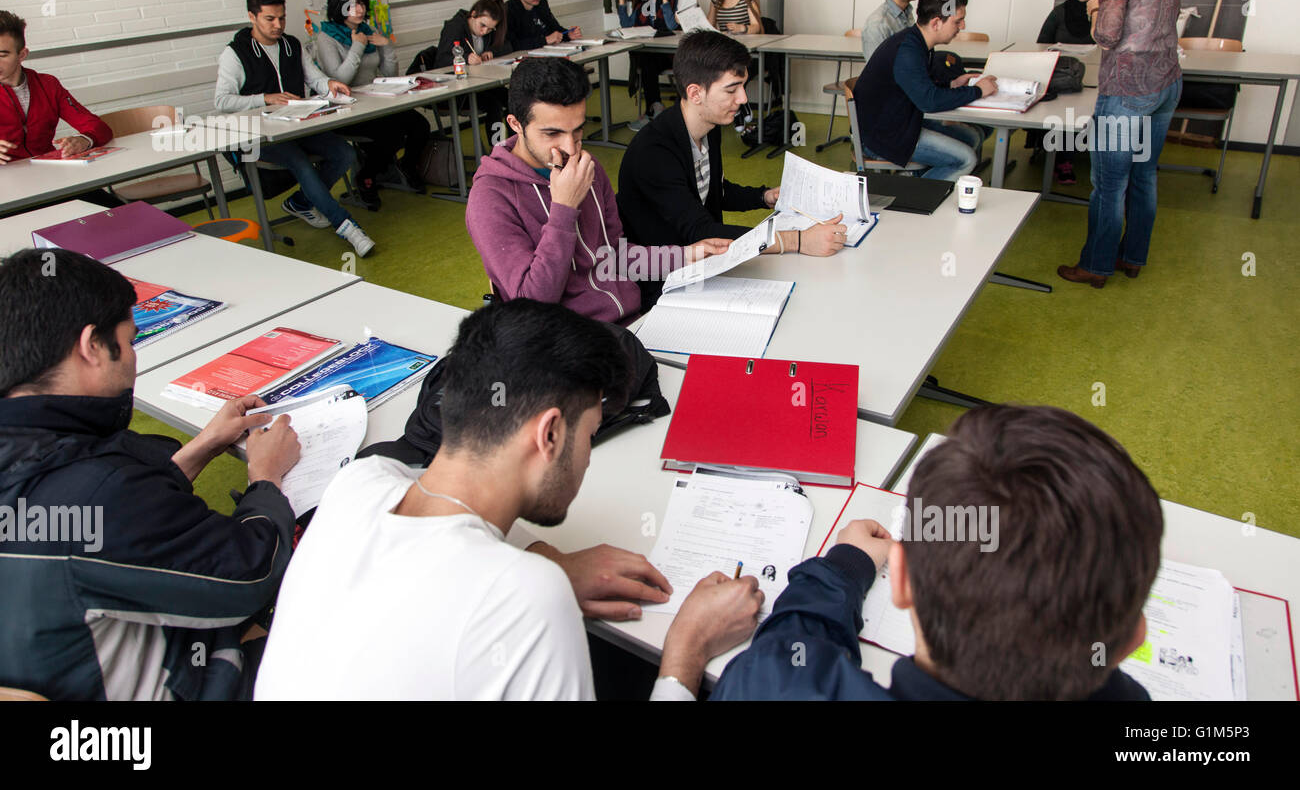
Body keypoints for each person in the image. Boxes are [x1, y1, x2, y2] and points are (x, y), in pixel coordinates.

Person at [255, 299, 765, 700]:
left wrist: (552, 562)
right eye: (588, 436)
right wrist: (687, 652)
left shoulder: (359, 482)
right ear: (549, 435)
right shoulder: (525, 597)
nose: (587, 457)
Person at [0, 249, 301, 701]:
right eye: (131, 339)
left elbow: (105, 523)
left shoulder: (45, 463)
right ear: (92, 346)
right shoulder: (100, 494)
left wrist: (204, 445)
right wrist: (266, 478)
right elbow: (251, 575)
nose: (134, 357)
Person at [711, 404, 1163, 700]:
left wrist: (843, 569)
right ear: (1132, 639)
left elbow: (781, 660)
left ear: (902, 580)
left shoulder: (769, 686)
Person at [466, 58, 729, 326]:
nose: (570, 147)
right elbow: (532, 303)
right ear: (516, 124)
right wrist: (564, 210)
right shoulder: (491, 197)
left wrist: (685, 255)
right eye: (552, 133)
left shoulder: (588, 168)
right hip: (568, 342)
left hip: (631, 321)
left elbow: (613, 256)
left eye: (578, 130)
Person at [618, 31, 846, 307]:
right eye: (731, 89)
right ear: (695, 93)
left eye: (743, 86)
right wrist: (796, 241)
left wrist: (764, 197)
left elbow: (714, 192)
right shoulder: (654, 152)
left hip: (707, 264)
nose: (742, 98)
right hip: (666, 282)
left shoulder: (708, 126)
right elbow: (702, 232)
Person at [1058, 0, 1181, 289]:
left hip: (1127, 92)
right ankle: (1133, 257)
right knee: (1144, 175)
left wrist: (1095, 8)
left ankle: (1095, 264)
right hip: (1165, 83)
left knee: (1109, 185)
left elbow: (1107, 38)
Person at [215, 0, 376, 258]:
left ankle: (301, 202)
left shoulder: (292, 44)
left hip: (297, 125)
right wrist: (265, 98)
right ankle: (348, 227)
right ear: (252, 17)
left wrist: (330, 84)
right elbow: (222, 101)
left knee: (344, 152)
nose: (278, 25)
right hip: (261, 134)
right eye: (270, 19)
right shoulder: (234, 54)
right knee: (301, 162)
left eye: (282, 18)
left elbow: (314, 78)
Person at [852, 0, 995, 182]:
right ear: (936, 23)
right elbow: (929, 102)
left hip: (902, 122)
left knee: (973, 138)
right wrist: (977, 91)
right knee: (965, 160)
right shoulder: (908, 51)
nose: (962, 27)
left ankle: (915, 175)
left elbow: (920, 87)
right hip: (883, 137)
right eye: (958, 21)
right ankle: (915, 198)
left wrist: (951, 85)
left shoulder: (918, 42)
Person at [314, 0, 432, 205]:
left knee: (419, 125)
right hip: (347, 108)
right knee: (391, 135)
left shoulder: (368, 31)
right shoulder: (326, 37)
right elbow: (339, 80)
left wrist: (386, 45)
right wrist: (357, 46)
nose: (359, 10)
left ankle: (406, 165)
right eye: (351, 5)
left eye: (361, 4)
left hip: (376, 100)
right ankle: (366, 176)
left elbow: (389, 72)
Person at [0, 10, 113, 165]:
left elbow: (99, 127)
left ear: (22, 55)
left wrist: (84, 140)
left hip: (51, 173)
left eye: (2, 55)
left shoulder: (48, 85)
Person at [1033, 0, 1104, 185]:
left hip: (1095, 78)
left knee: (1081, 109)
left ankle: (1067, 157)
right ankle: (1060, 158)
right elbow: (1042, 44)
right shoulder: (1060, 12)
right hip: (1063, 76)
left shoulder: (1107, 14)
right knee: (1064, 108)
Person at [408, 0, 510, 147]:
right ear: (473, 14)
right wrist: (466, 58)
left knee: (512, 96)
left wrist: (492, 52)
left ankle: (516, 146)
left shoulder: (488, 31)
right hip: (458, 91)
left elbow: (507, 45)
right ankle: (499, 150)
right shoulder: (454, 26)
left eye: (490, 30)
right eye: (482, 26)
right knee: (494, 104)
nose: (484, 32)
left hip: (479, 83)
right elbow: (441, 61)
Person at [616, 0, 679, 131]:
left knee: (646, 60)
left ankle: (653, 109)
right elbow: (627, 26)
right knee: (645, 59)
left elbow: (672, 25)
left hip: (672, 54)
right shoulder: (643, 0)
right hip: (651, 53)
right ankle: (655, 107)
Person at [506, 0, 582, 51]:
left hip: (548, 53)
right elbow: (512, 45)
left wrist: (568, 34)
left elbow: (555, 29)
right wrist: (545, 40)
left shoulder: (542, 4)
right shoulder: (509, 9)